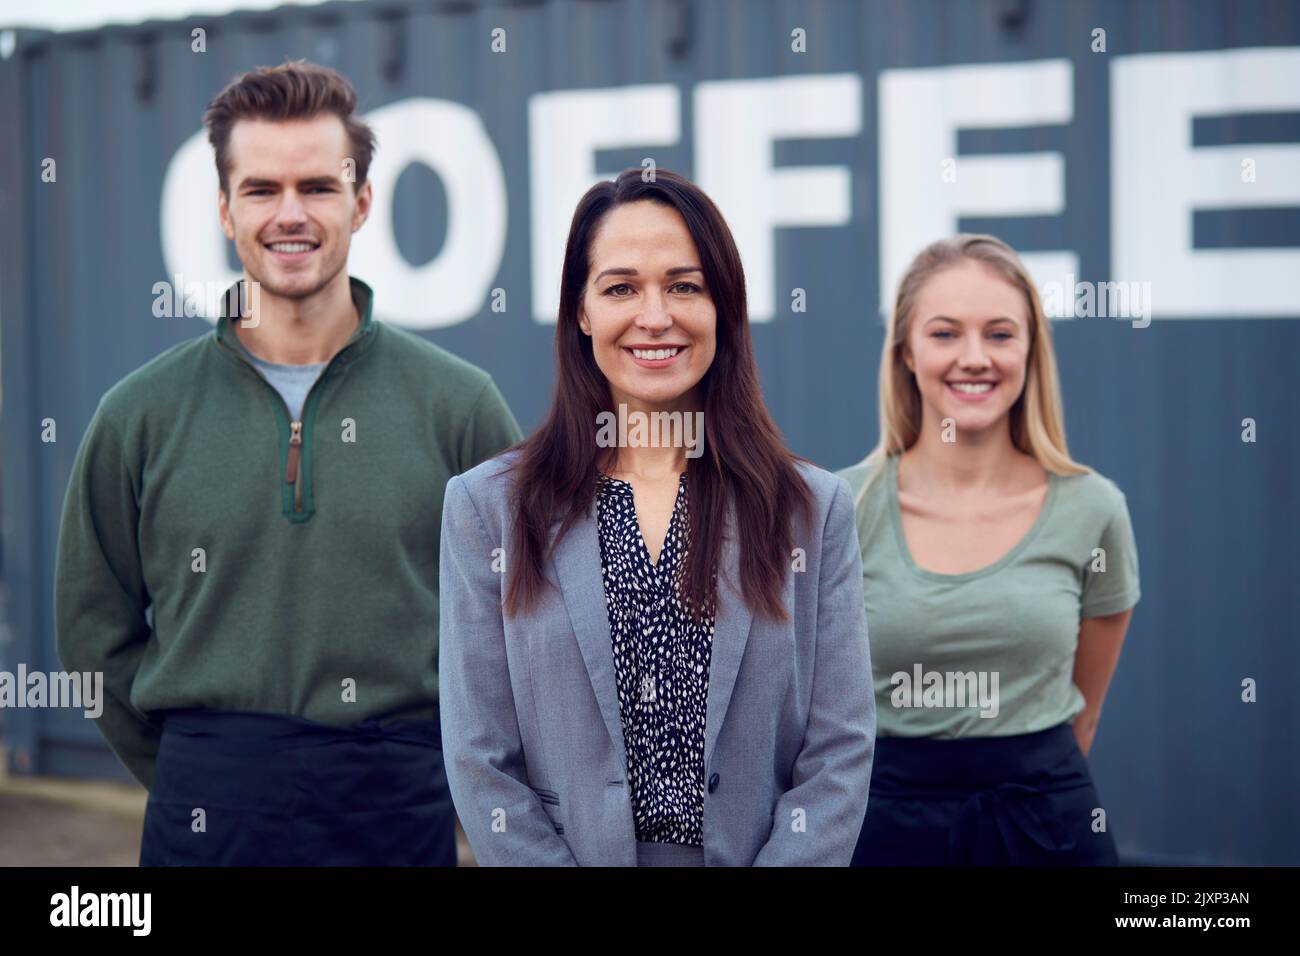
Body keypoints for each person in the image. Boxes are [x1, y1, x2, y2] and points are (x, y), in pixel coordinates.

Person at [54, 60, 521, 866]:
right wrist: (195, 769)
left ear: (362, 202)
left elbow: (521, 624)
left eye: (318, 186)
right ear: (226, 210)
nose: (290, 215)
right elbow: (92, 633)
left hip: (396, 809)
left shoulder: (459, 406)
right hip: (206, 808)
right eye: (263, 190)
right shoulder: (138, 415)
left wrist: (451, 775)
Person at [439, 168, 874, 866]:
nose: (655, 316)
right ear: (581, 313)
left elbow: (839, 754)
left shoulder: (809, 511)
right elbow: (479, 755)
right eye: (620, 288)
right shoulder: (489, 508)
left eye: (683, 285)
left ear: (721, 306)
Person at [839, 234, 1140, 866]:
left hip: (1048, 829)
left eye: (1000, 334)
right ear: (906, 354)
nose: (974, 358)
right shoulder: (840, 508)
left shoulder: (1095, 509)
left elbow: (1081, 718)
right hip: (882, 829)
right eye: (945, 333)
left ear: (1031, 352)